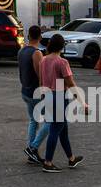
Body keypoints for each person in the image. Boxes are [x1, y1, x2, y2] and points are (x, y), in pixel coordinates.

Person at [38, 34, 87, 172]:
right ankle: (48, 162)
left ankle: (71, 159)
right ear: (62, 46)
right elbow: (70, 84)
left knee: (62, 129)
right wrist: (82, 102)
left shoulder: (43, 60)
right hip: (59, 96)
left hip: (47, 95)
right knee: (55, 129)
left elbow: (41, 81)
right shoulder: (62, 62)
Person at [18, 25, 48, 164]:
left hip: (25, 90)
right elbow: (41, 74)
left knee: (33, 120)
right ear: (40, 37)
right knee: (52, 120)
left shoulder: (22, 50)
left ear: (28, 35)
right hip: (35, 92)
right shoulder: (36, 53)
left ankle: (32, 152)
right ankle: (33, 148)